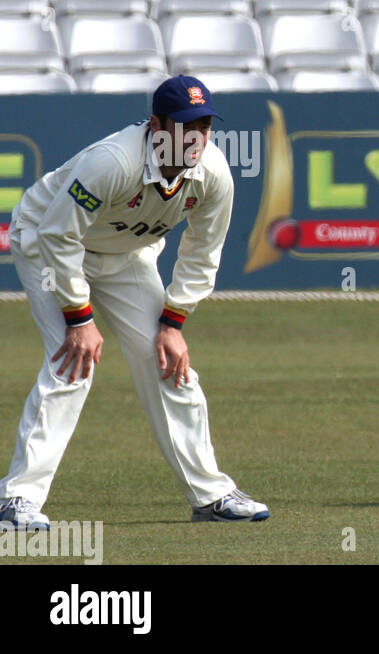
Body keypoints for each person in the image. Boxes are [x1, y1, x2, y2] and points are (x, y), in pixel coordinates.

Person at [0, 76, 269, 530]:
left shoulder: (213, 174)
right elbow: (58, 234)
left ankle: (211, 494)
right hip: (48, 242)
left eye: (202, 126)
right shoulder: (114, 162)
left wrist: (174, 322)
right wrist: (78, 317)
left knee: (168, 362)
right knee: (72, 364)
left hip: (124, 256)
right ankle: (17, 500)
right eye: (183, 125)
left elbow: (204, 251)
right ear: (156, 124)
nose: (194, 138)